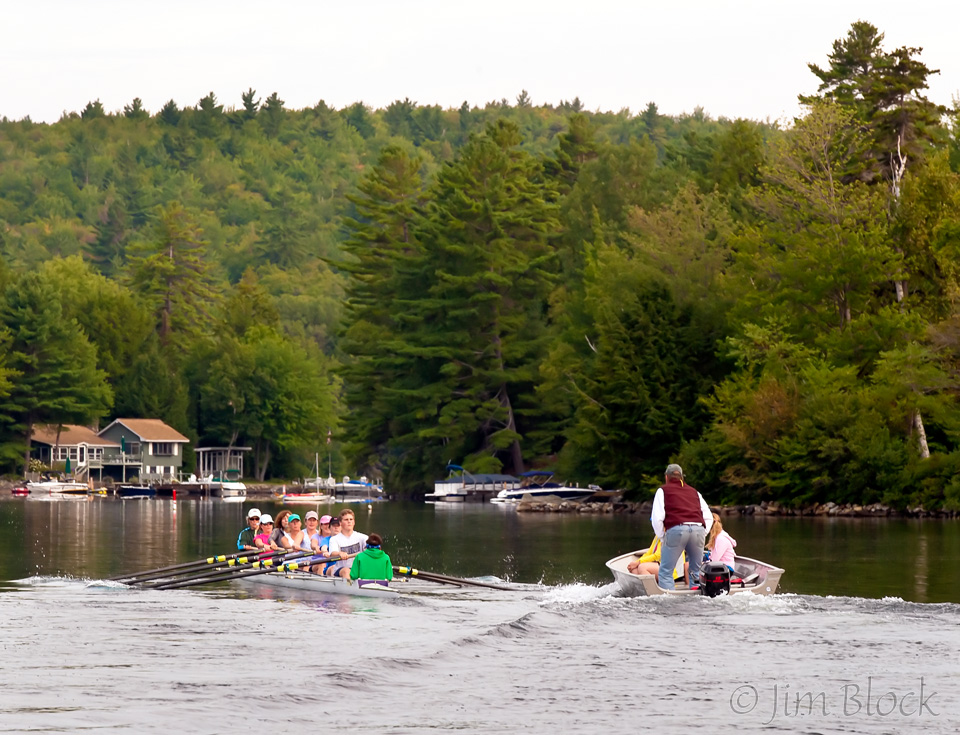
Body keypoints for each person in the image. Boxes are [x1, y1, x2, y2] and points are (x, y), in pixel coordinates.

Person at [650, 464, 713, 591]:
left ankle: (670, 605)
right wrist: (702, 533)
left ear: (666, 477)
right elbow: (709, 517)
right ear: (682, 477)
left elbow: (657, 518)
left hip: (676, 530)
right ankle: (698, 602)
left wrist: (663, 537)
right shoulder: (695, 492)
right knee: (696, 571)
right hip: (698, 530)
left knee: (666, 572)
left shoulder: (663, 491)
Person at [326, 509, 368, 578]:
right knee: (346, 571)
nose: (349, 521)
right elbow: (333, 553)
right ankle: (350, 587)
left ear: (354, 522)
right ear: (340, 523)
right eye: (346, 520)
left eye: (351, 519)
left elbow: (372, 546)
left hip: (357, 568)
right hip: (341, 569)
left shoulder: (363, 537)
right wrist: (340, 553)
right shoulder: (334, 539)